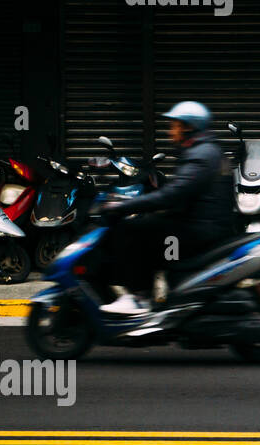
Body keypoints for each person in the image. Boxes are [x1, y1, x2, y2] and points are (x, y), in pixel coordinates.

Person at [98, 101, 237, 315]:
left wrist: (124, 205)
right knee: (150, 230)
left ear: (188, 127)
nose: (170, 130)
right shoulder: (205, 151)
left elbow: (173, 194)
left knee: (131, 230)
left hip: (199, 233)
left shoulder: (202, 155)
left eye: (174, 125)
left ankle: (138, 296)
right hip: (202, 227)